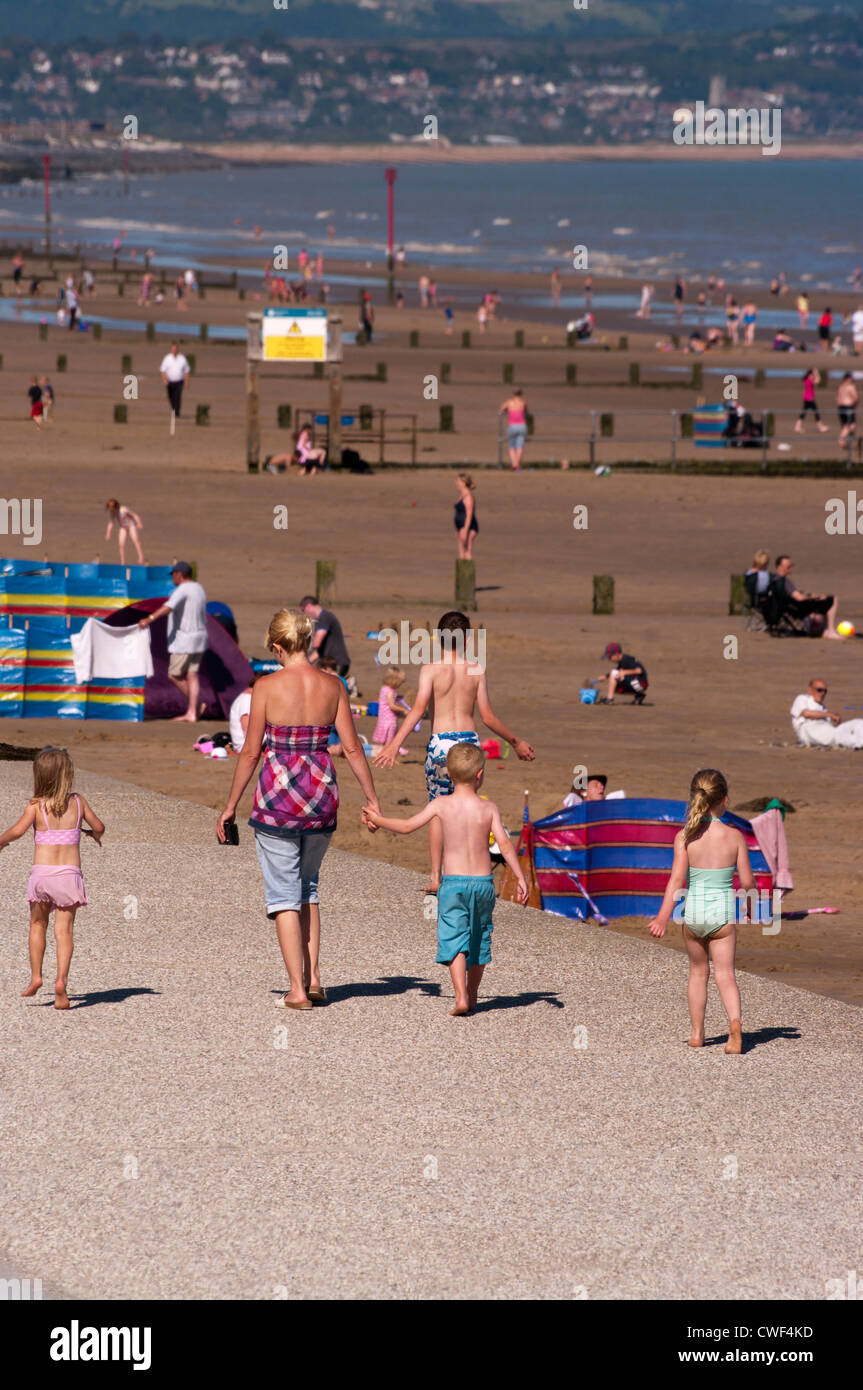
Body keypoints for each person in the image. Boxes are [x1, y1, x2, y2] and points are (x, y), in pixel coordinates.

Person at [217, 608, 379, 1009]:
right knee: (308, 888)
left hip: (278, 803)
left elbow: (251, 751)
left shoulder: (267, 687)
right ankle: (316, 978)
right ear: (307, 642)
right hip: (321, 799)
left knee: (283, 896)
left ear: (277, 646)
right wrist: (372, 798)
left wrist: (229, 807)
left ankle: (297, 989)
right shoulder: (334, 685)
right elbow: (354, 747)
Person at [374, 610, 534, 892]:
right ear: (468, 639)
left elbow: (419, 710)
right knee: (468, 805)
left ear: (437, 639)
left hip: (441, 743)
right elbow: (487, 717)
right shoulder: (475, 669)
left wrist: (394, 743)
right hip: (470, 744)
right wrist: (515, 742)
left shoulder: (430, 669)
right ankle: (470, 871)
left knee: (439, 810)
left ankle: (437, 877)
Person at [363, 742, 527, 1016]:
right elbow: (506, 846)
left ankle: (460, 996)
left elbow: (406, 826)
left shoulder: (441, 804)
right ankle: (473, 996)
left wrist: (378, 820)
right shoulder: (489, 808)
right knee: (479, 938)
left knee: (454, 936)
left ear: (448, 775)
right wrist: (520, 877)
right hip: (483, 884)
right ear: (480, 775)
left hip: (453, 885)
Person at [648, 768, 749, 1055]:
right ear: (725, 800)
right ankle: (735, 1024)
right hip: (722, 918)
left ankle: (696, 1034)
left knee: (697, 972)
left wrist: (661, 918)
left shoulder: (685, 837)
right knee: (725, 975)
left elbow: (676, 881)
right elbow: (748, 880)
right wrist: (753, 902)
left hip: (693, 915)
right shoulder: (735, 837)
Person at [0, 747, 104, 1010]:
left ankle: (36, 976)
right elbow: (100, 827)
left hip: (42, 875)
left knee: (37, 924)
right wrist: (92, 834)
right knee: (64, 930)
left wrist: (1, 842)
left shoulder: (36, 805)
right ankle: (61, 983)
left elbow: (18, 831)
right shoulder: (78, 802)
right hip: (68, 876)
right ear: (67, 774)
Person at [138, 561, 208, 720]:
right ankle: (192, 712)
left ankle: (197, 706)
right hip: (199, 637)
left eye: (174, 575)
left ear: (180, 574)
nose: (173, 578)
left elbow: (168, 606)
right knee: (192, 675)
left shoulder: (183, 589)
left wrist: (149, 619)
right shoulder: (199, 589)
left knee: (174, 675)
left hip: (185, 640)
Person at [773, 554, 841, 638]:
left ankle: (822, 629)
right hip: (796, 608)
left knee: (820, 603)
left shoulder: (773, 579)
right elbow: (798, 598)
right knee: (832, 599)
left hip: (787, 607)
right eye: (788, 567)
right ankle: (829, 630)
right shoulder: (784, 581)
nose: (790, 569)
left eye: (791, 566)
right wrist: (815, 597)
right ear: (779, 567)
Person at [790, 679, 863, 749]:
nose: (823, 693)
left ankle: (860, 742)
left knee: (858, 722)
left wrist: (835, 722)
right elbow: (806, 713)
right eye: (819, 690)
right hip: (809, 730)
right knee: (839, 737)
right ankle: (859, 743)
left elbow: (829, 725)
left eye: (825, 691)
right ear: (810, 690)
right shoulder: (802, 698)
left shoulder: (822, 707)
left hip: (828, 730)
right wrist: (830, 715)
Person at [299, 597, 350, 677]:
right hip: (328, 664)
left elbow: (317, 643)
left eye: (303, 610)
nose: (304, 613)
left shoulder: (324, 617)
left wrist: (304, 647)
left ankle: (349, 684)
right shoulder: (320, 620)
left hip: (337, 663)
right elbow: (319, 650)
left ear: (308, 606)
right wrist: (306, 663)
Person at [371, 665, 408, 753]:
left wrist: (397, 697)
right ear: (395, 681)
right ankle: (390, 753)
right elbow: (392, 706)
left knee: (385, 741)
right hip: (389, 719)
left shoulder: (384, 688)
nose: (400, 685)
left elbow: (383, 700)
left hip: (383, 718)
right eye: (400, 683)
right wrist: (403, 710)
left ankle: (385, 752)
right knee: (389, 740)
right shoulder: (390, 691)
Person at [105, 498, 144, 564]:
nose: (111, 510)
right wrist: (108, 533)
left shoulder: (123, 510)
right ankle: (122, 561)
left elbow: (134, 515)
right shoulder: (112, 513)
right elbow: (111, 522)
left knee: (135, 540)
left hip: (131, 525)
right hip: (123, 527)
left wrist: (139, 523)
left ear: (116, 507)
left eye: (112, 509)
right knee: (121, 544)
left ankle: (140, 556)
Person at [160, 343, 191, 419]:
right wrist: (164, 379)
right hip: (170, 382)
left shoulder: (182, 359)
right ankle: (174, 409)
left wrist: (187, 381)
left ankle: (177, 412)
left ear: (178, 349)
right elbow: (163, 370)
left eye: (175, 349)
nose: (174, 350)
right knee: (171, 397)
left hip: (179, 382)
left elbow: (186, 370)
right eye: (172, 349)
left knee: (177, 397)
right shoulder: (167, 358)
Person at [500, 388, 528, 470]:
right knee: (520, 446)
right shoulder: (523, 403)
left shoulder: (509, 402)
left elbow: (501, 409)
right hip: (522, 425)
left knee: (512, 446)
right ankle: (517, 464)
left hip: (512, 425)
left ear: (513, 394)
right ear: (521, 394)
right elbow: (526, 412)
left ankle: (514, 464)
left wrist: (506, 411)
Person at [795, 368, 828, 434]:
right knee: (816, 413)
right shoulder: (810, 380)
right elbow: (818, 381)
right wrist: (817, 373)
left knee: (803, 413)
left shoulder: (806, 379)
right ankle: (820, 427)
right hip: (810, 399)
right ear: (811, 374)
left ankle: (797, 427)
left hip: (806, 398)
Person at [454, 472, 477, 560]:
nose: (456, 483)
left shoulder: (468, 497)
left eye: (458, 481)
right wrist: (458, 529)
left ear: (463, 483)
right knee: (461, 551)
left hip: (469, 527)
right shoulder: (462, 495)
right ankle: (462, 573)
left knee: (467, 550)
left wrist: (465, 530)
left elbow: (469, 514)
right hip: (461, 527)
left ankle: (468, 572)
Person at [229, 677, 255, 753]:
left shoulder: (245, 697)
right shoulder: (247, 699)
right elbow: (246, 726)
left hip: (242, 745)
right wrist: (252, 749)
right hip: (245, 746)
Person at [837, 372, 858, 446]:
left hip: (840, 408)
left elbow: (838, 399)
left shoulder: (841, 387)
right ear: (848, 378)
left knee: (845, 425)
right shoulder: (851, 387)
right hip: (848, 407)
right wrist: (854, 406)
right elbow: (855, 398)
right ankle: (841, 439)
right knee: (850, 426)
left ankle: (844, 440)